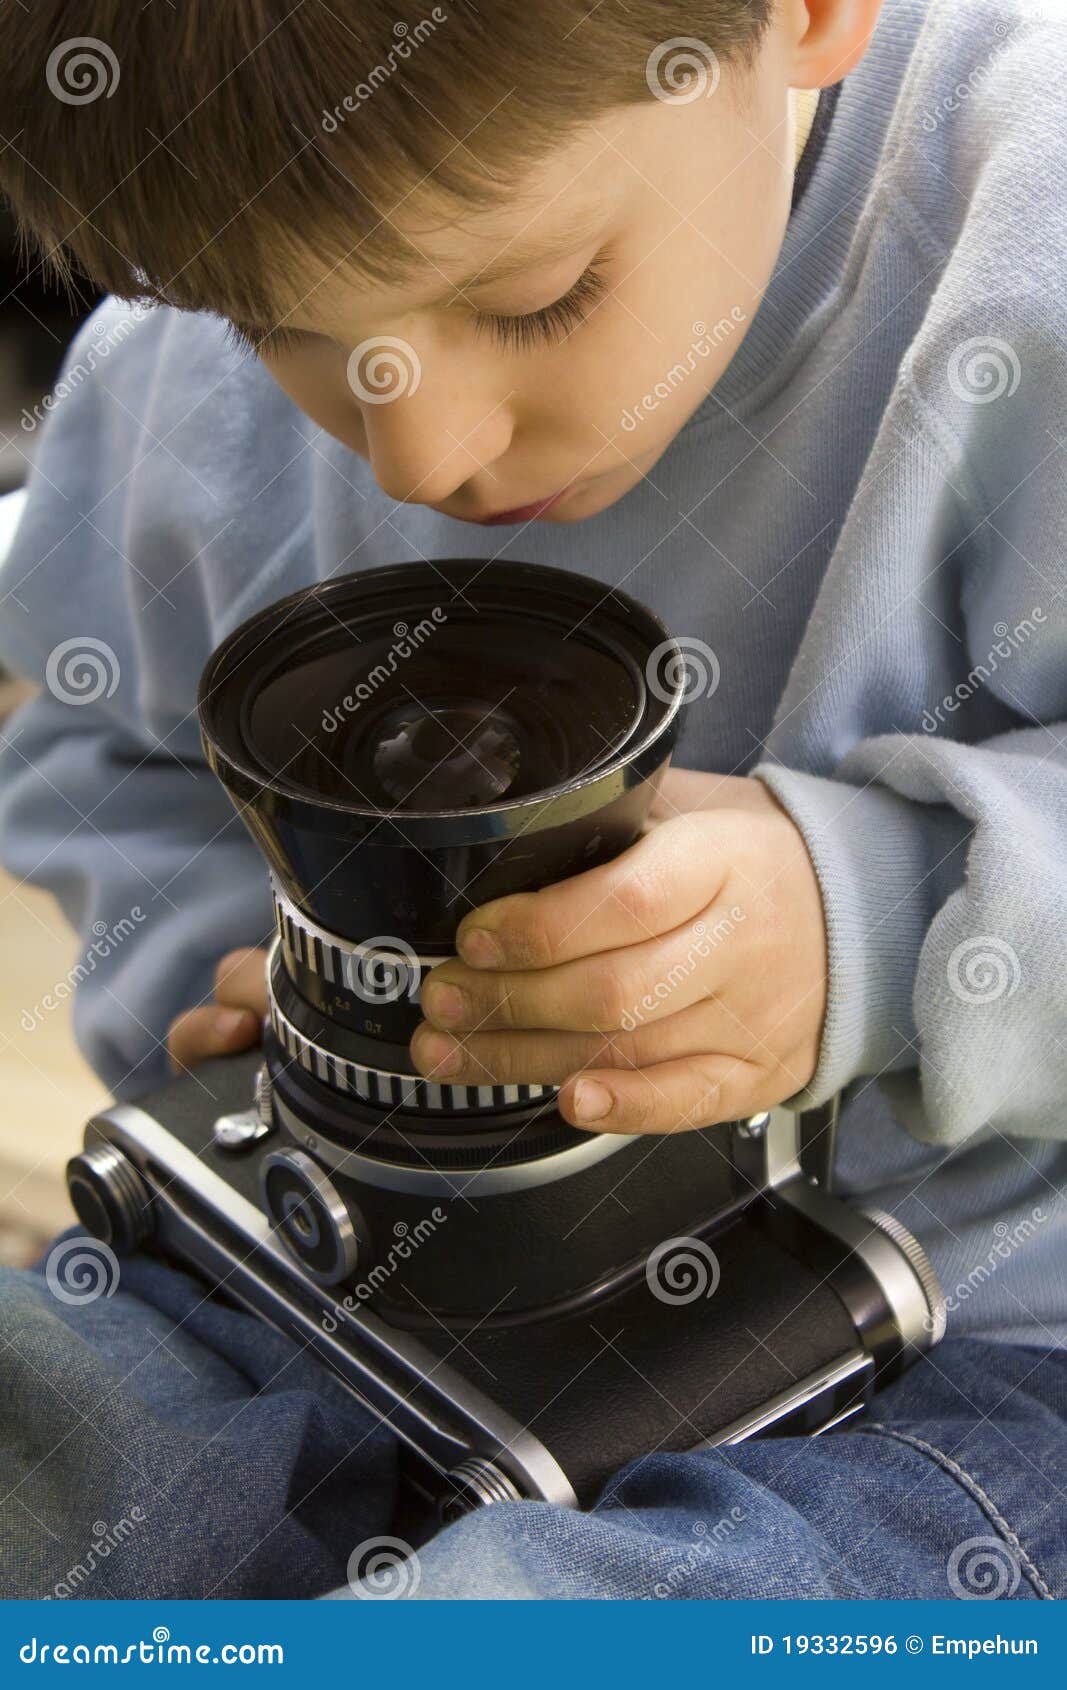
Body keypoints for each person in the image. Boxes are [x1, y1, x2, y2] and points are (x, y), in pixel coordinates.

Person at [0, 0, 1064, 1600]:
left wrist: (890, 925)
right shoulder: (183, 363)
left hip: (971, 1366)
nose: (418, 449)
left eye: (537, 295)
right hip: (343, 1276)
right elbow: (107, 759)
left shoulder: (1022, 251)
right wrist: (277, 978)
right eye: (263, 324)